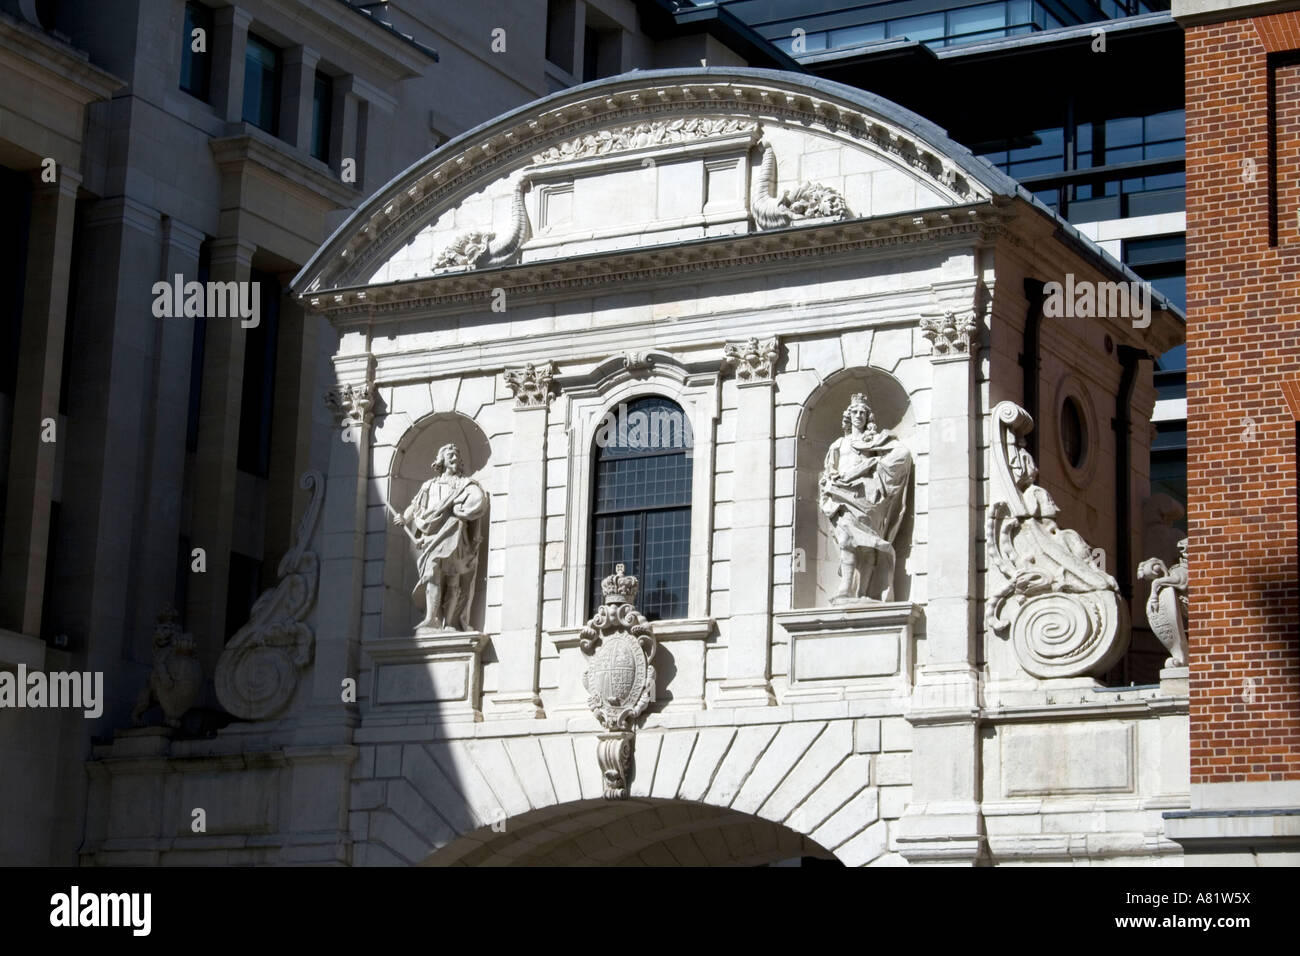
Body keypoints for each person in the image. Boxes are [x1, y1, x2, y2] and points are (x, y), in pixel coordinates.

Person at [818, 393, 911, 602]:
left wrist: (876, 471)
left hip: (867, 499)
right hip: (842, 496)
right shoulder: (839, 444)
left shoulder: (875, 442)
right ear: (849, 416)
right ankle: (845, 589)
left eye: (862, 412)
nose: (859, 415)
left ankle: (864, 592)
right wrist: (834, 483)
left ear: (868, 417)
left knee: (868, 545)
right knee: (845, 540)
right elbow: (828, 471)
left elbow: (902, 455)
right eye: (855, 412)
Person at [393, 443, 488, 630]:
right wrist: (404, 516)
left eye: (457, 456)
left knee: (454, 577)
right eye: (451, 455)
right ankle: (431, 617)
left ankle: (450, 622)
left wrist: (462, 510)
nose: (455, 458)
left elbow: (479, 501)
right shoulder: (429, 485)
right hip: (433, 536)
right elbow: (416, 505)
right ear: (442, 460)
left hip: (455, 533)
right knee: (432, 572)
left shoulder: (465, 484)